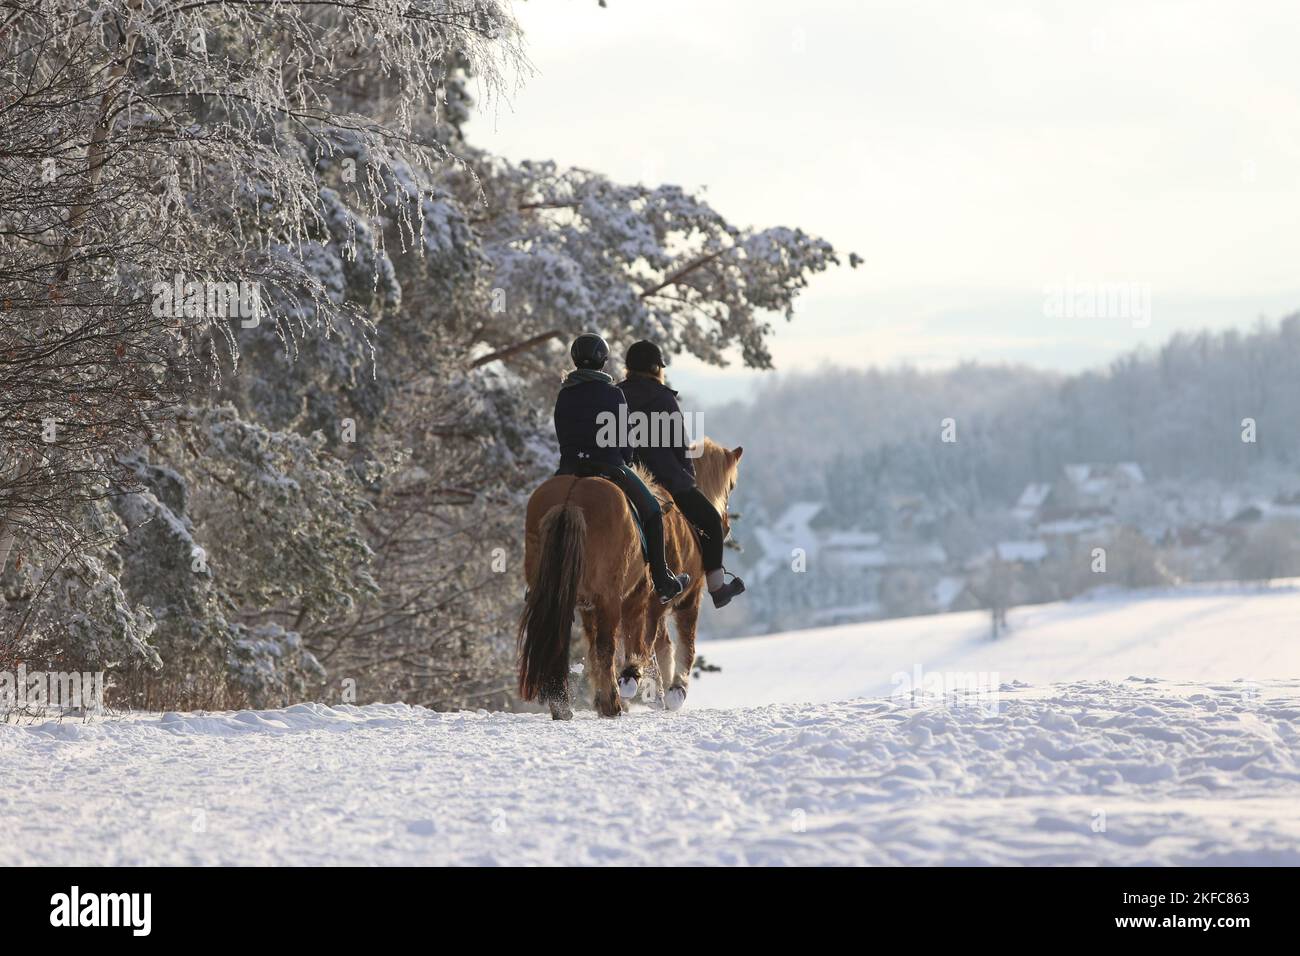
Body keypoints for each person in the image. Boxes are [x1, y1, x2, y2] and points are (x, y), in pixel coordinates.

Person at [553, 332, 689, 603]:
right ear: (603, 361)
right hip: (609, 467)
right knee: (651, 511)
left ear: (576, 360)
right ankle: (662, 580)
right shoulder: (614, 394)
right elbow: (625, 443)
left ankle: (538, 581)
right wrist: (624, 459)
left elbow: (562, 435)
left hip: (570, 469)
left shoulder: (565, 394)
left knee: (546, 513)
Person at [618, 340, 746, 609]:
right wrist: (688, 479)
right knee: (711, 521)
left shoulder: (616, 395)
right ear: (656, 368)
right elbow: (679, 447)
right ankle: (717, 587)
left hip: (623, 476)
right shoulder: (663, 397)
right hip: (664, 480)